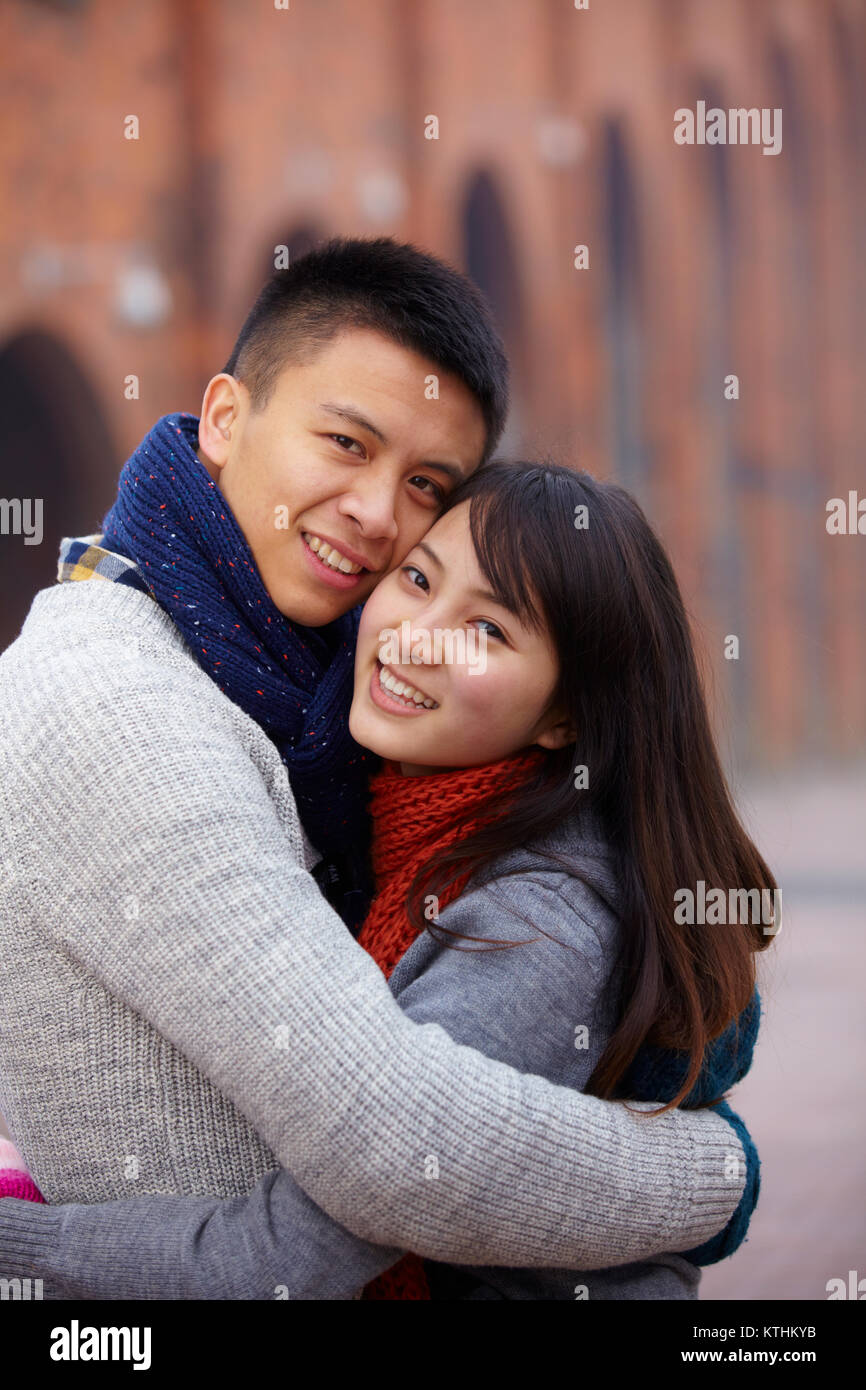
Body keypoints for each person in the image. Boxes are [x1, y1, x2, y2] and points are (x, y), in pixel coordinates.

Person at [0, 238, 755, 1298]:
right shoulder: (120, 703)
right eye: (345, 442)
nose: (372, 510)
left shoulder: (284, 697)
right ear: (224, 417)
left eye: (424, 484)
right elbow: (394, 1143)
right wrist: (714, 1169)